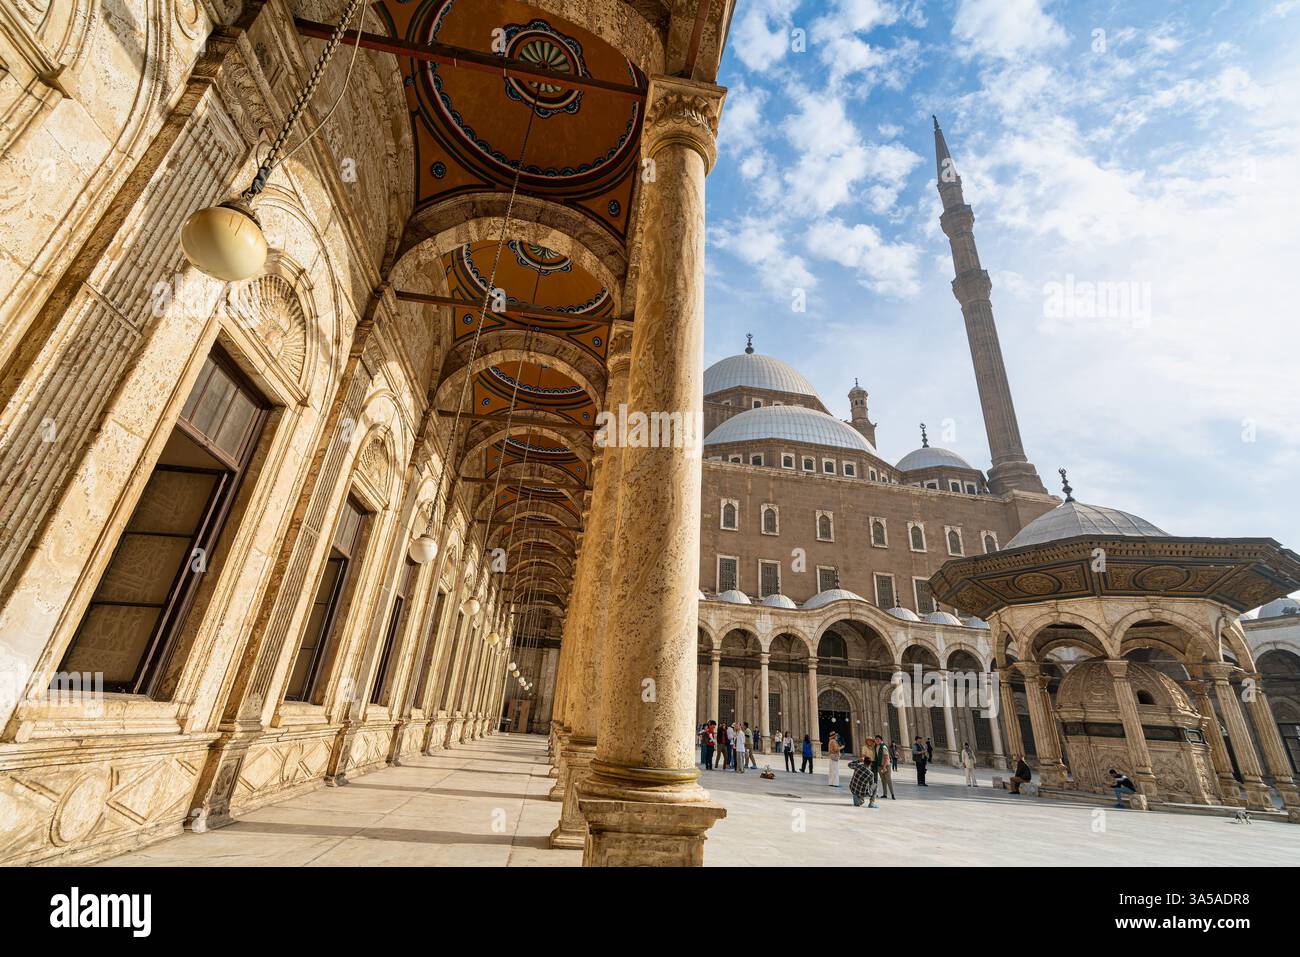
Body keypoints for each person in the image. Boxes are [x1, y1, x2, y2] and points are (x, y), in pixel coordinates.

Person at [875, 734, 895, 799]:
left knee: (888, 779)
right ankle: (885, 794)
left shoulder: (883, 747)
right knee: (883, 780)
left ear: (881, 740)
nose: (877, 741)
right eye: (876, 739)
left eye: (878, 739)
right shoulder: (876, 746)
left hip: (886, 765)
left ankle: (892, 794)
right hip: (879, 765)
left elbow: (886, 757)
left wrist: (884, 767)